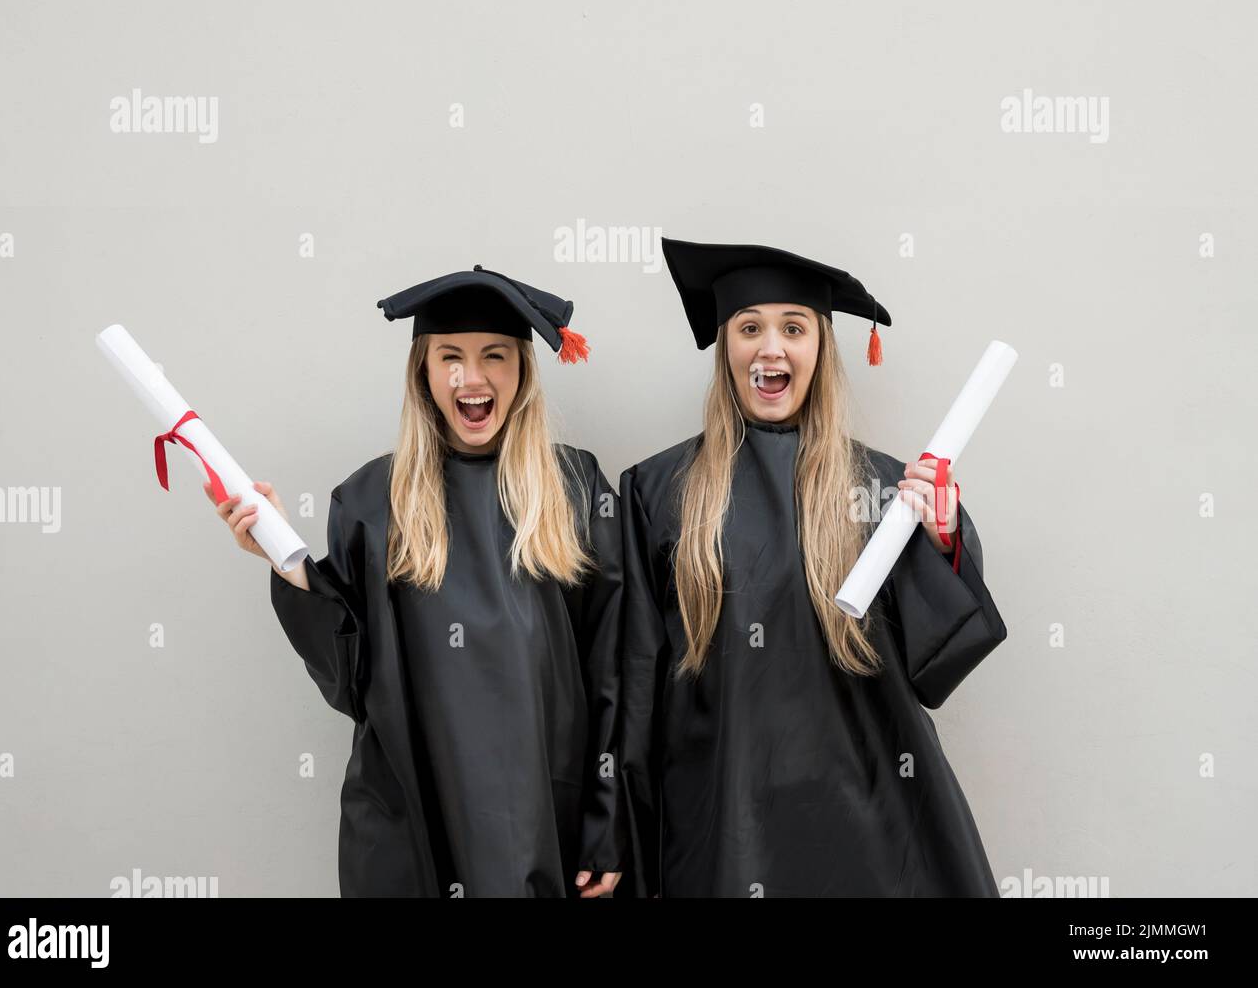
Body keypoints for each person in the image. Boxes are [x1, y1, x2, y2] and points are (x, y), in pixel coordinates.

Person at [209, 264, 627, 897]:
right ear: (424, 372)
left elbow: (614, 668)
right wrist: (284, 561)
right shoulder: (371, 502)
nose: (473, 377)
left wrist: (608, 821)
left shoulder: (574, 490)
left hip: (545, 820)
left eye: (495, 355)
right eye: (450, 356)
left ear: (522, 369)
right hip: (415, 820)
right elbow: (352, 680)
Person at [619, 237, 1007, 898]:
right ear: (726, 350)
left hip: (869, 820)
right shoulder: (657, 493)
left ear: (821, 349)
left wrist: (942, 539)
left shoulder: (887, 494)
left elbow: (938, 663)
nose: (771, 348)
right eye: (750, 328)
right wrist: (618, 837)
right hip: (722, 818)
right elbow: (633, 684)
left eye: (793, 329)